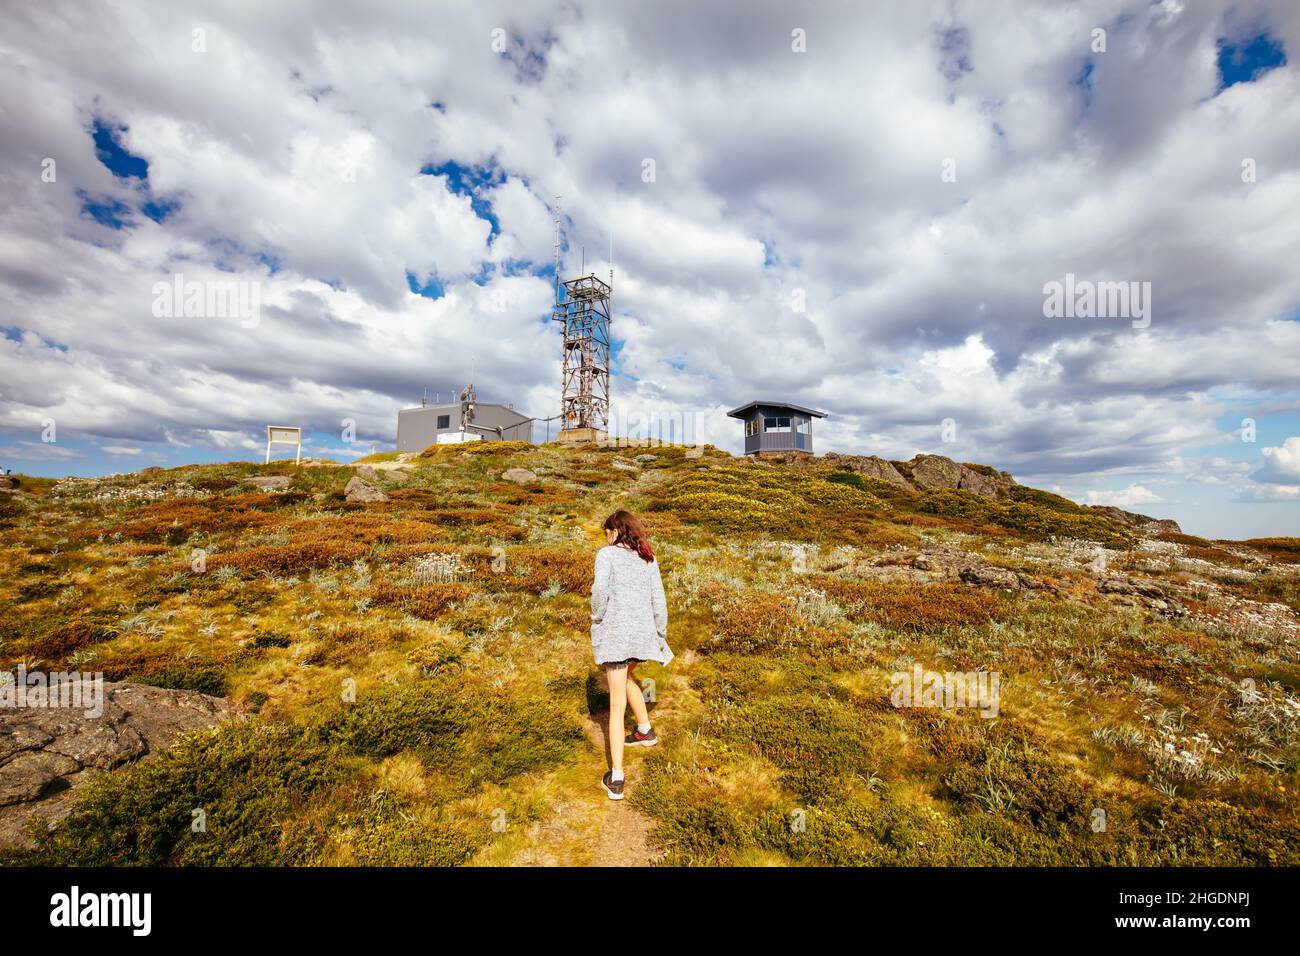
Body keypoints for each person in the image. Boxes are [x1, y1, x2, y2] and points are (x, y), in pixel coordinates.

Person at [590, 509, 672, 800]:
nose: (605, 538)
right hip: (642, 636)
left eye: (606, 533)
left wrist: (598, 618)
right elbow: (658, 600)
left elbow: (599, 594)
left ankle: (616, 778)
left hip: (617, 637)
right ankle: (644, 730)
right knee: (626, 678)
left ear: (615, 531)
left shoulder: (607, 555)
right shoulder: (647, 558)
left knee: (615, 706)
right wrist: (658, 634)